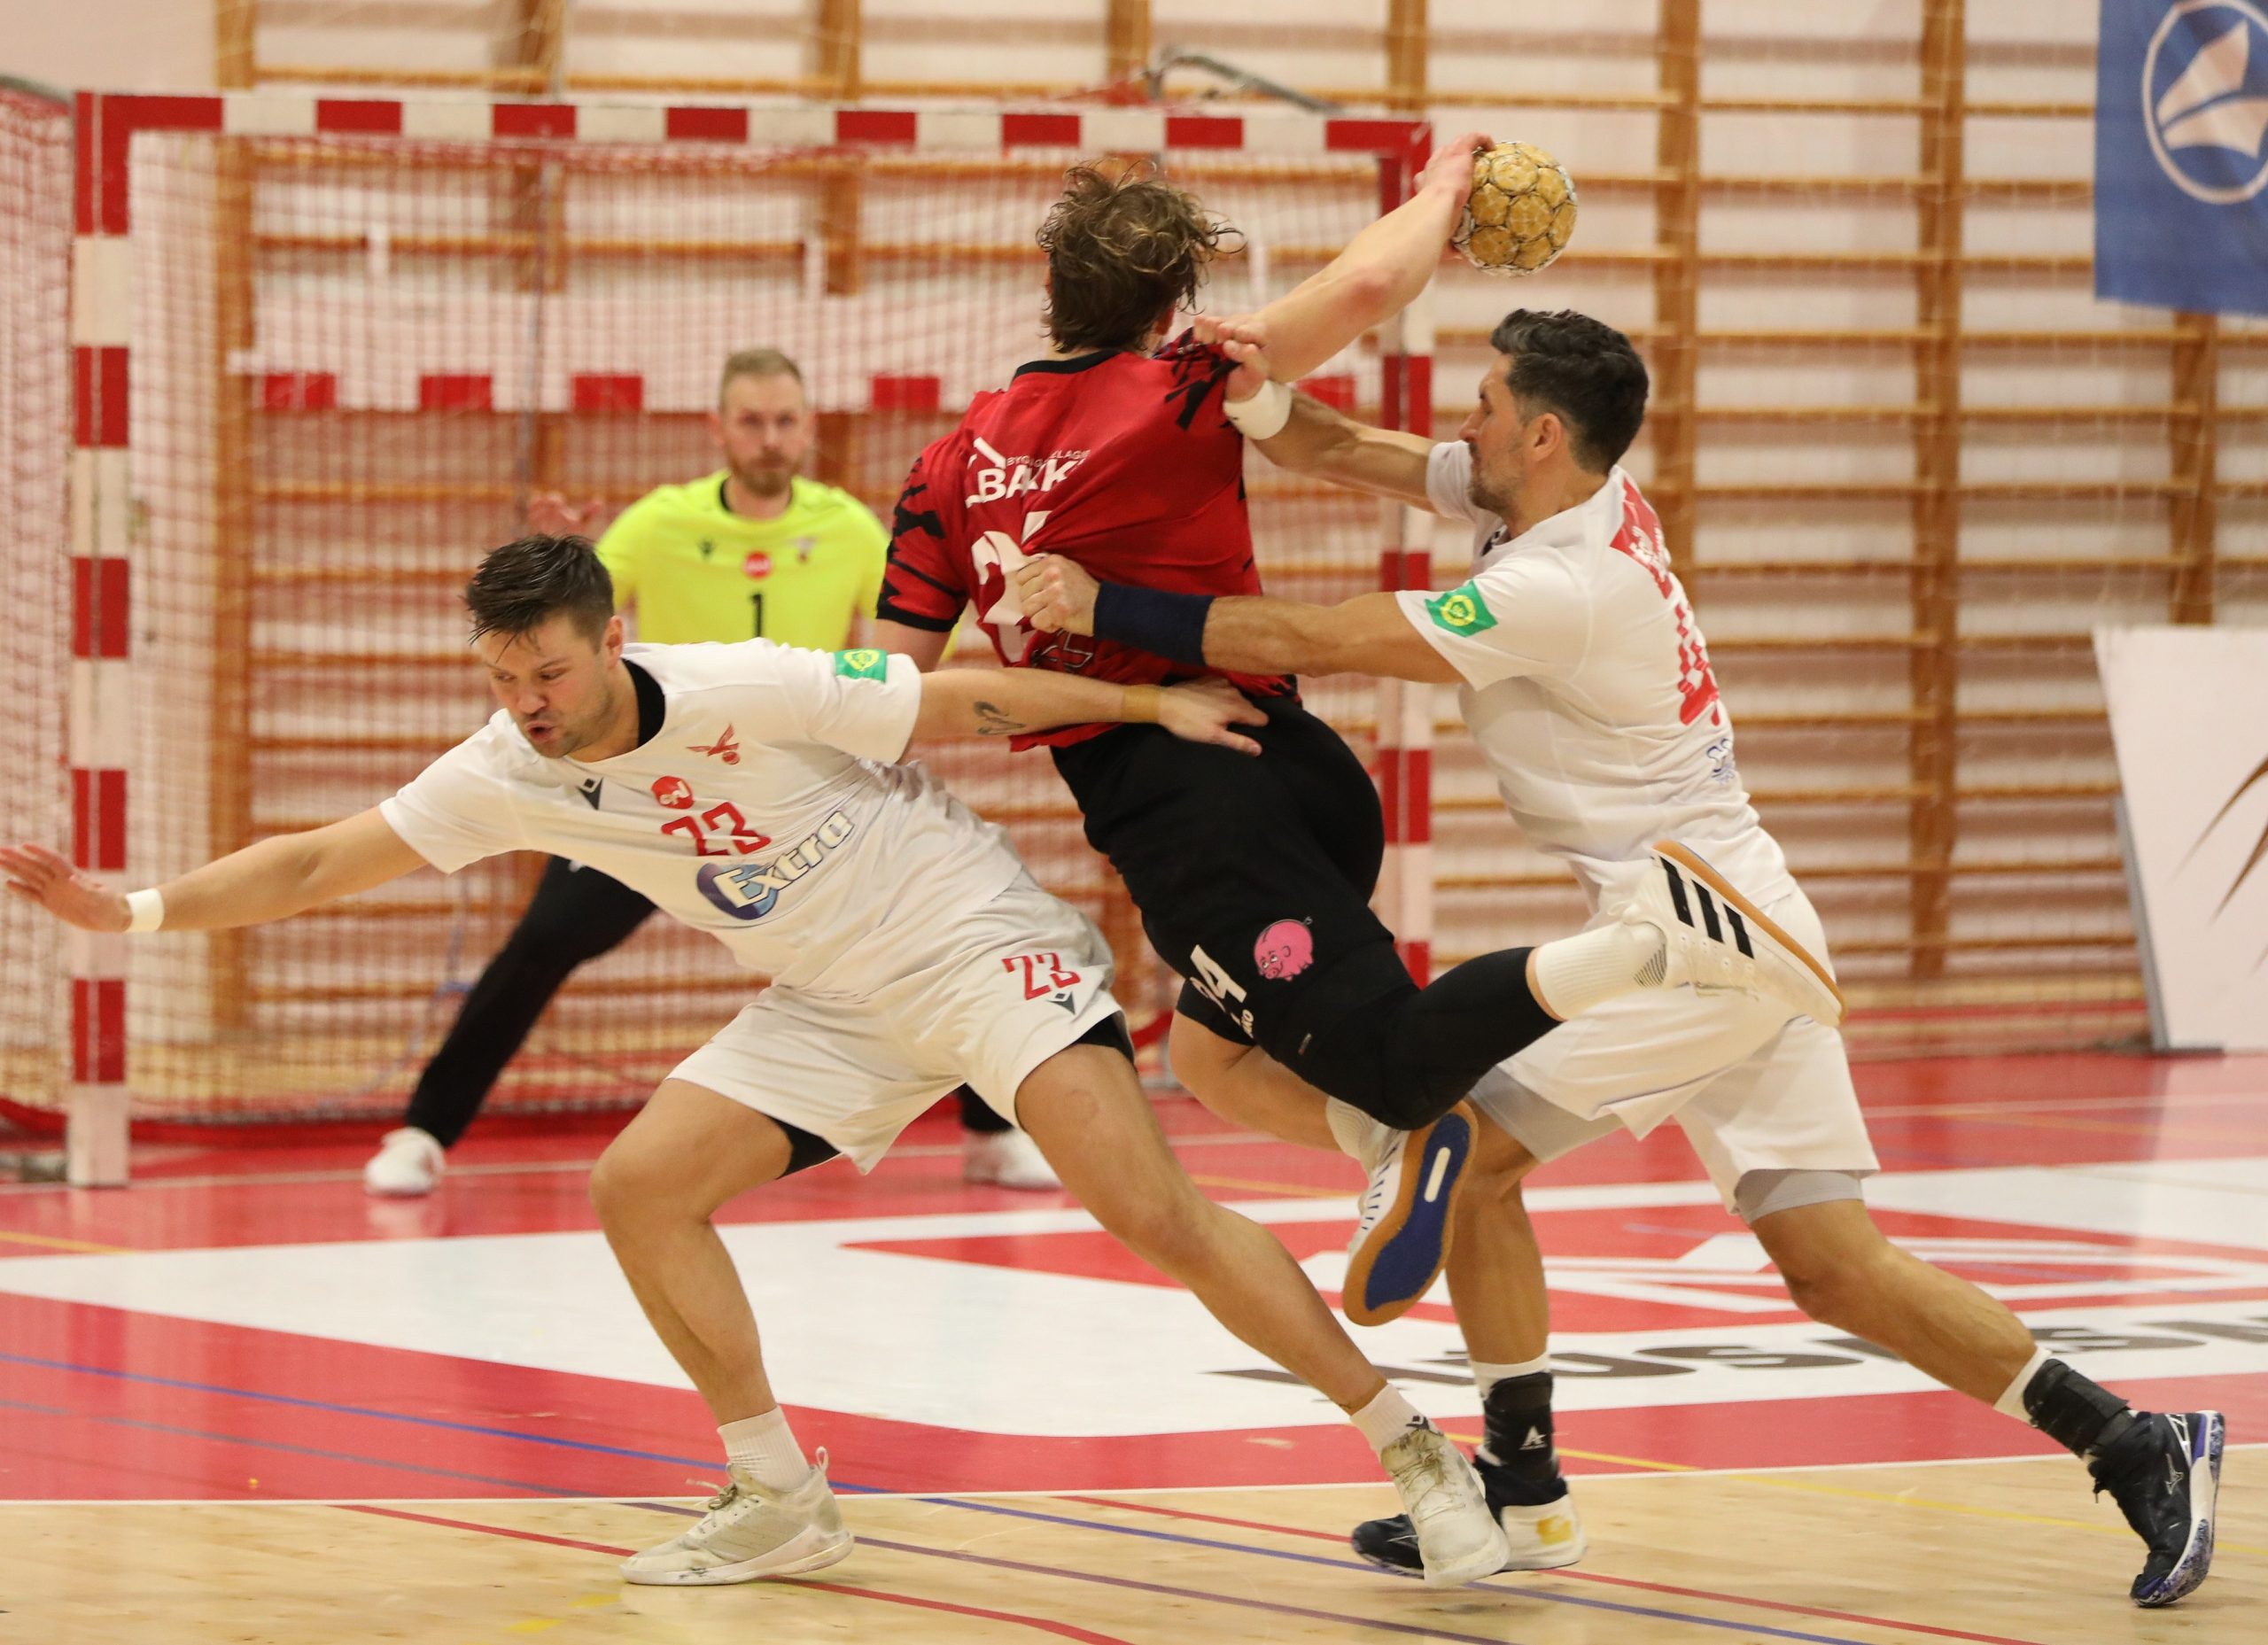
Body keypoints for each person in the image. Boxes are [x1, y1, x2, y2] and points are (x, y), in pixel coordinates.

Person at [8, 534, 1524, 1590]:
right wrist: (128, 909)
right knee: (639, 1185)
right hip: (831, 1000)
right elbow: (321, 859)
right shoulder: (509, 767)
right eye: (499, 678)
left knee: (1145, 1211)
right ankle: (779, 1492)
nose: (525, 704)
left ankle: (1417, 1455)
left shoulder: (738, 684)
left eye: (544, 669)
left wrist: (1143, 699)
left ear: (613, 635)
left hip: (970, 939)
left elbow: (957, 700)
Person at [1013, 306, 2225, 1610]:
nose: (1460, 425)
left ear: (1541, 431)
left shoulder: (1562, 586)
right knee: (1833, 1266)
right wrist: (1255, 401)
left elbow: (1321, 638)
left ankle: (1521, 1489)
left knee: (1459, 1138)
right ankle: (2133, 1440)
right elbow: (1357, 449)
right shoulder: (1557, 493)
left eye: (1481, 404)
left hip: (1688, 933)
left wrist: (1109, 605)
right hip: (1741, 909)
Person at [869, 144, 1844, 1331]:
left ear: (1047, 288)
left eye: (1488, 408)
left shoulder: (940, 474)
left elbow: (895, 697)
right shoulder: (1190, 384)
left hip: (1198, 808)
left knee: (1397, 1059)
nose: (1467, 425)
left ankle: (1635, 960)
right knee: (1214, 1062)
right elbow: (1364, 313)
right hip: (1299, 767)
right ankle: (1480, 1365)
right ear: (1176, 295)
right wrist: (1439, 193)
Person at [364, 347, 1060, 1198]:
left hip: (787, 802)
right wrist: (549, 544)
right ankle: (423, 1131)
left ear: (808, 428)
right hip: (654, 794)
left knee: (906, 937)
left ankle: (990, 1132)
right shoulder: (660, 522)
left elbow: (907, 654)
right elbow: (563, 625)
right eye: (752, 420)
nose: (770, 439)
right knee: (543, 941)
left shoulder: (846, 526)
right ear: (718, 428)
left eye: (786, 421)